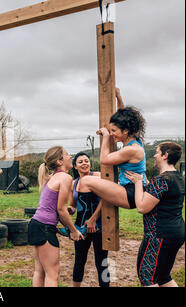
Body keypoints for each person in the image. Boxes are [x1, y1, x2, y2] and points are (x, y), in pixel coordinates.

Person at [125, 142, 185, 287]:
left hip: (158, 235)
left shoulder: (161, 180)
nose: (154, 155)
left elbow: (142, 207)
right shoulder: (178, 178)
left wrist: (138, 183)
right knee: (163, 277)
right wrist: (146, 185)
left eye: (157, 152)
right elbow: (160, 197)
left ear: (165, 156)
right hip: (176, 233)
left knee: (147, 277)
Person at [79, 88, 147, 209]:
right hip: (131, 189)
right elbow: (124, 118)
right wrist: (118, 97)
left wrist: (105, 136)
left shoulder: (132, 150)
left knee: (85, 181)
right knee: (90, 180)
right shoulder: (133, 139)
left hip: (131, 194)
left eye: (114, 131)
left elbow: (104, 159)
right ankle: (88, 218)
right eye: (110, 131)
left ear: (125, 131)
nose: (111, 133)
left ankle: (81, 222)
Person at [28, 146, 84, 287]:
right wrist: (73, 230)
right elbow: (60, 209)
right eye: (67, 154)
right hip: (45, 228)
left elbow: (57, 207)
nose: (71, 156)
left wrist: (68, 210)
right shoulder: (65, 177)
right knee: (52, 274)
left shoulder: (53, 177)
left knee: (39, 271)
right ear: (59, 161)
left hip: (36, 224)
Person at [68, 152, 109, 287]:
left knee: (101, 261)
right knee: (79, 260)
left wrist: (93, 218)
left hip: (98, 225)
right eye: (80, 162)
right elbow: (73, 205)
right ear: (75, 166)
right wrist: (68, 211)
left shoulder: (97, 176)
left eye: (86, 160)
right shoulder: (73, 183)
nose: (85, 163)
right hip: (80, 227)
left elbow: (107, 196)